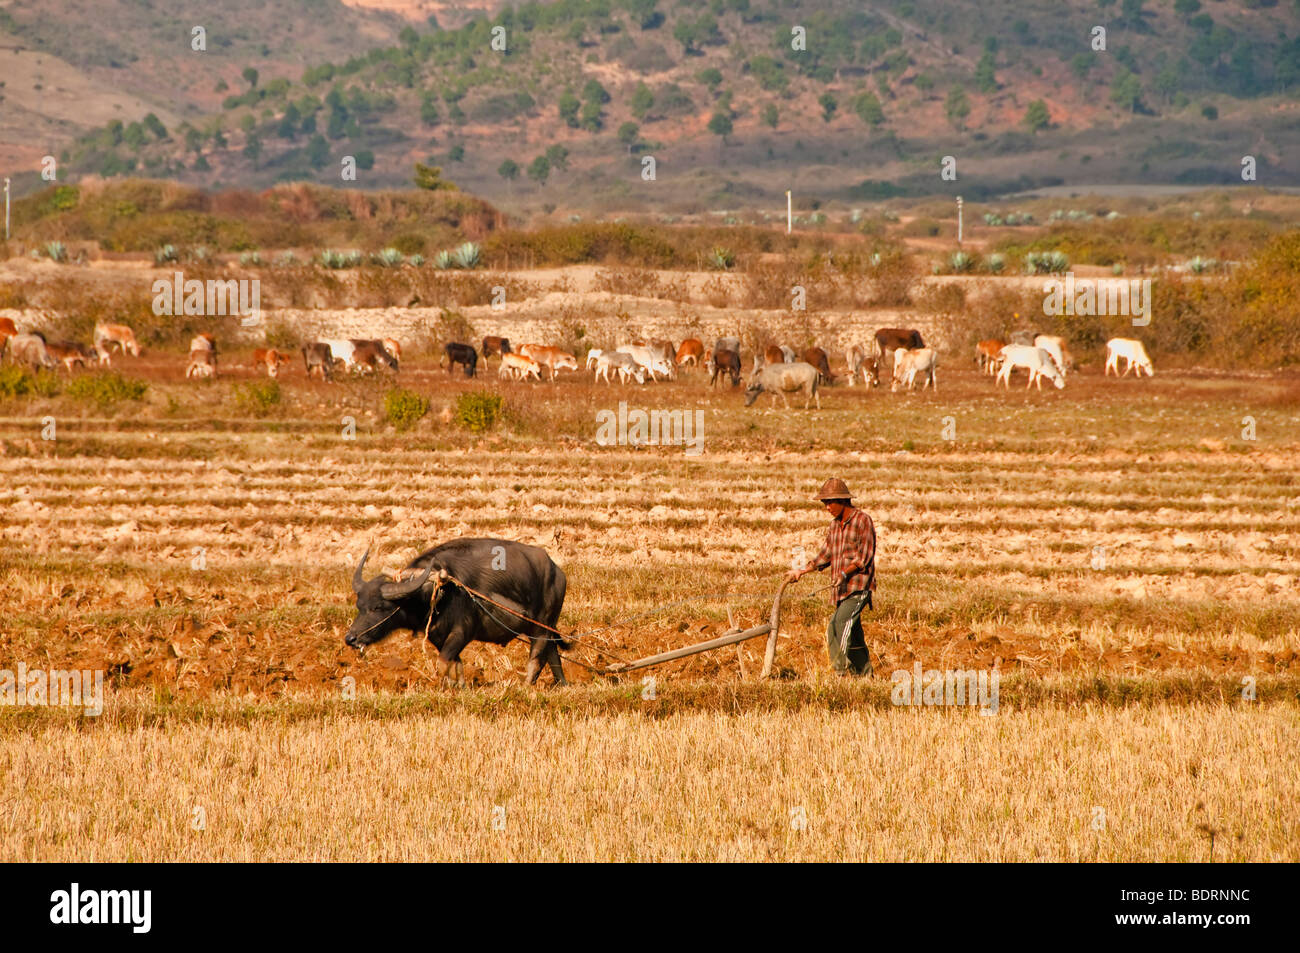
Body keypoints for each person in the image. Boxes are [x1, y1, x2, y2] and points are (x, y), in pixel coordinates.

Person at [786, 478, 876, 676]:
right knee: (854, 636)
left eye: (829, 503)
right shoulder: (834, 526)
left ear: (842, 501)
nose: (827, 507)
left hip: (857, 587)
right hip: (840, 590)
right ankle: (866, 677)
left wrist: (845, 573)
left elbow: (865, 557)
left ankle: (841, 674)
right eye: (824, 503)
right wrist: (800, 571)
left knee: (837, 626)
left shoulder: (863, 521)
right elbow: (824, 556)